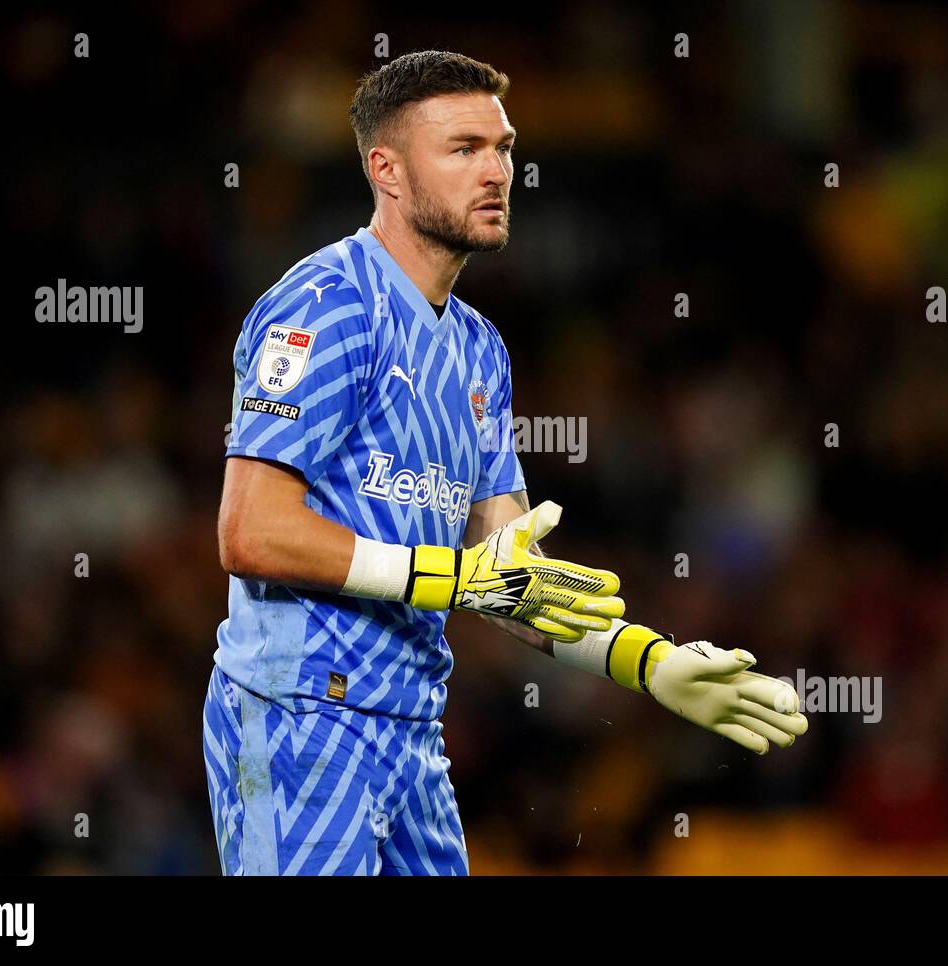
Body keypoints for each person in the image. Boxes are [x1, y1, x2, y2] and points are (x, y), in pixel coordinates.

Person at [203, 49, 808, 876]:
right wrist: (449, 577)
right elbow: (251, 532)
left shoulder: (481, 352)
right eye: (463, 149)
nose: (497, 172)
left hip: (412, 730)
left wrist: (651, 660)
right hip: (302, 717)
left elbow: (511, 582)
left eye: (504, 148)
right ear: (386, 169)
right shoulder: (327, 306)